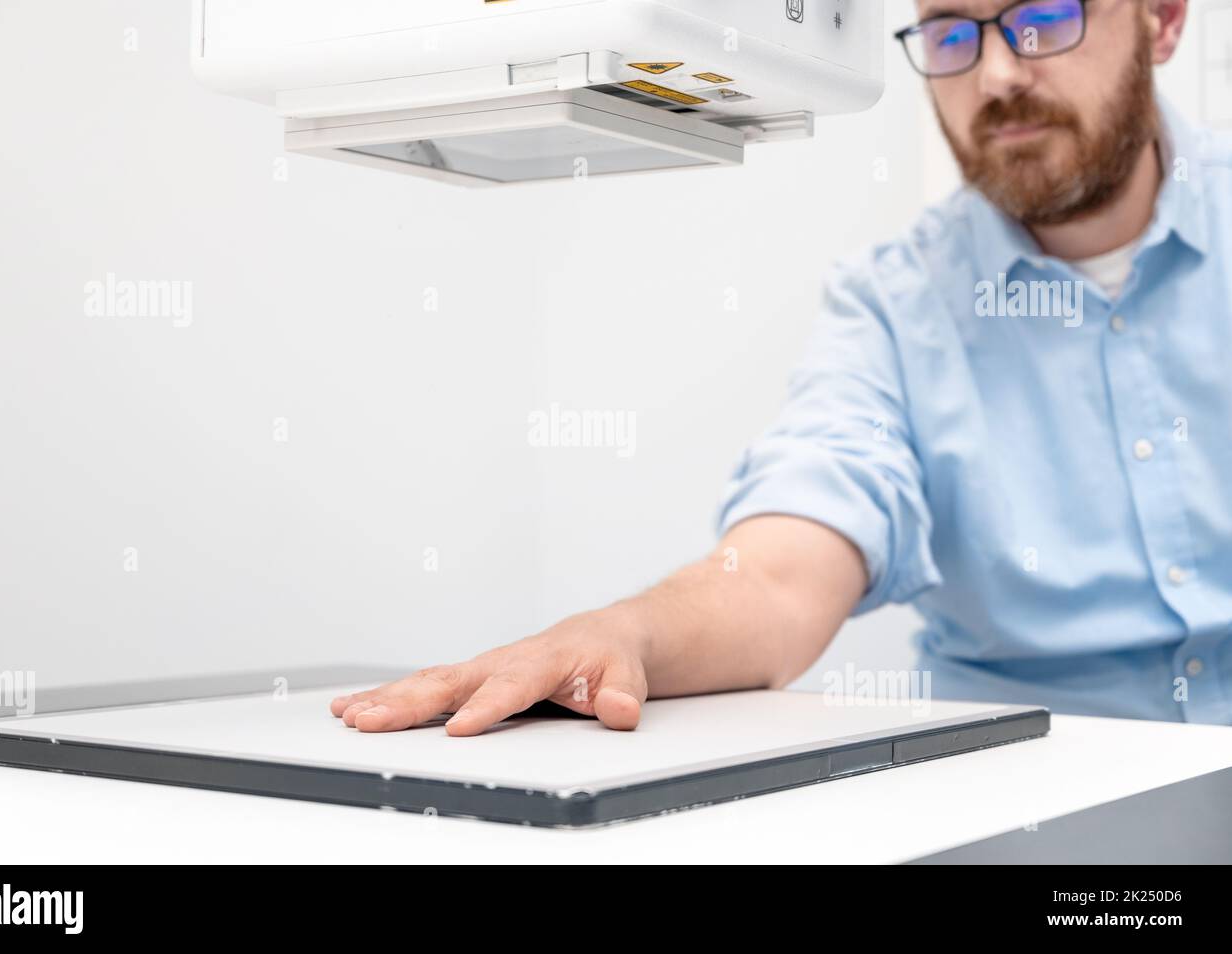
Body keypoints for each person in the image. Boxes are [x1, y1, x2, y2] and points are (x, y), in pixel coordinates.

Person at [331, 0, 1231, 734]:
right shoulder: (892, 304)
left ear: (1161, 19)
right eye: (953, 33)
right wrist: (622, 634)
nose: (996, 73)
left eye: (1040, 20)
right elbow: (781, 573)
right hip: (1041, 804)